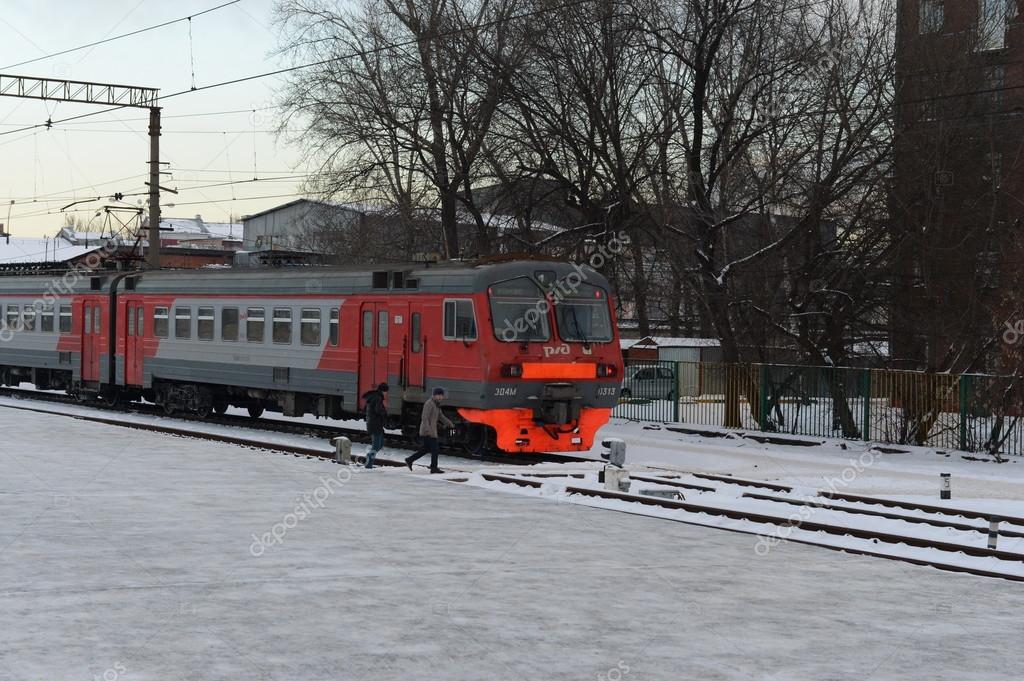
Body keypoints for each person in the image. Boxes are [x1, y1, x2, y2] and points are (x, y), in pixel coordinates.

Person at [405, 387, 454, 474]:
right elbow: (424, 417)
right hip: (427, 431)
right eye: (438, 395)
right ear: (434, 395)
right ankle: (433, 468)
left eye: (441, 396)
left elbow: (441, 417)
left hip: (431, 431)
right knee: (435, 449)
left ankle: (410, 460)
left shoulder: (436, 405)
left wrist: (450, 424)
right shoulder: (429, 403)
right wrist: (428, 430)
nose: (440, 397)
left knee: (426, 449)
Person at [362, 382, 388, 469]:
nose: (386, 393)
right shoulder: (377, 398)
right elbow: (378, 410)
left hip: (376, 424)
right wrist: (385, 412)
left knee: (380, 444)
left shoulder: (375, 397)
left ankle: (368, 459)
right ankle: (368, 464)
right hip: (375, 424)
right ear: (383, 391)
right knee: (376, 445)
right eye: (386, 391)